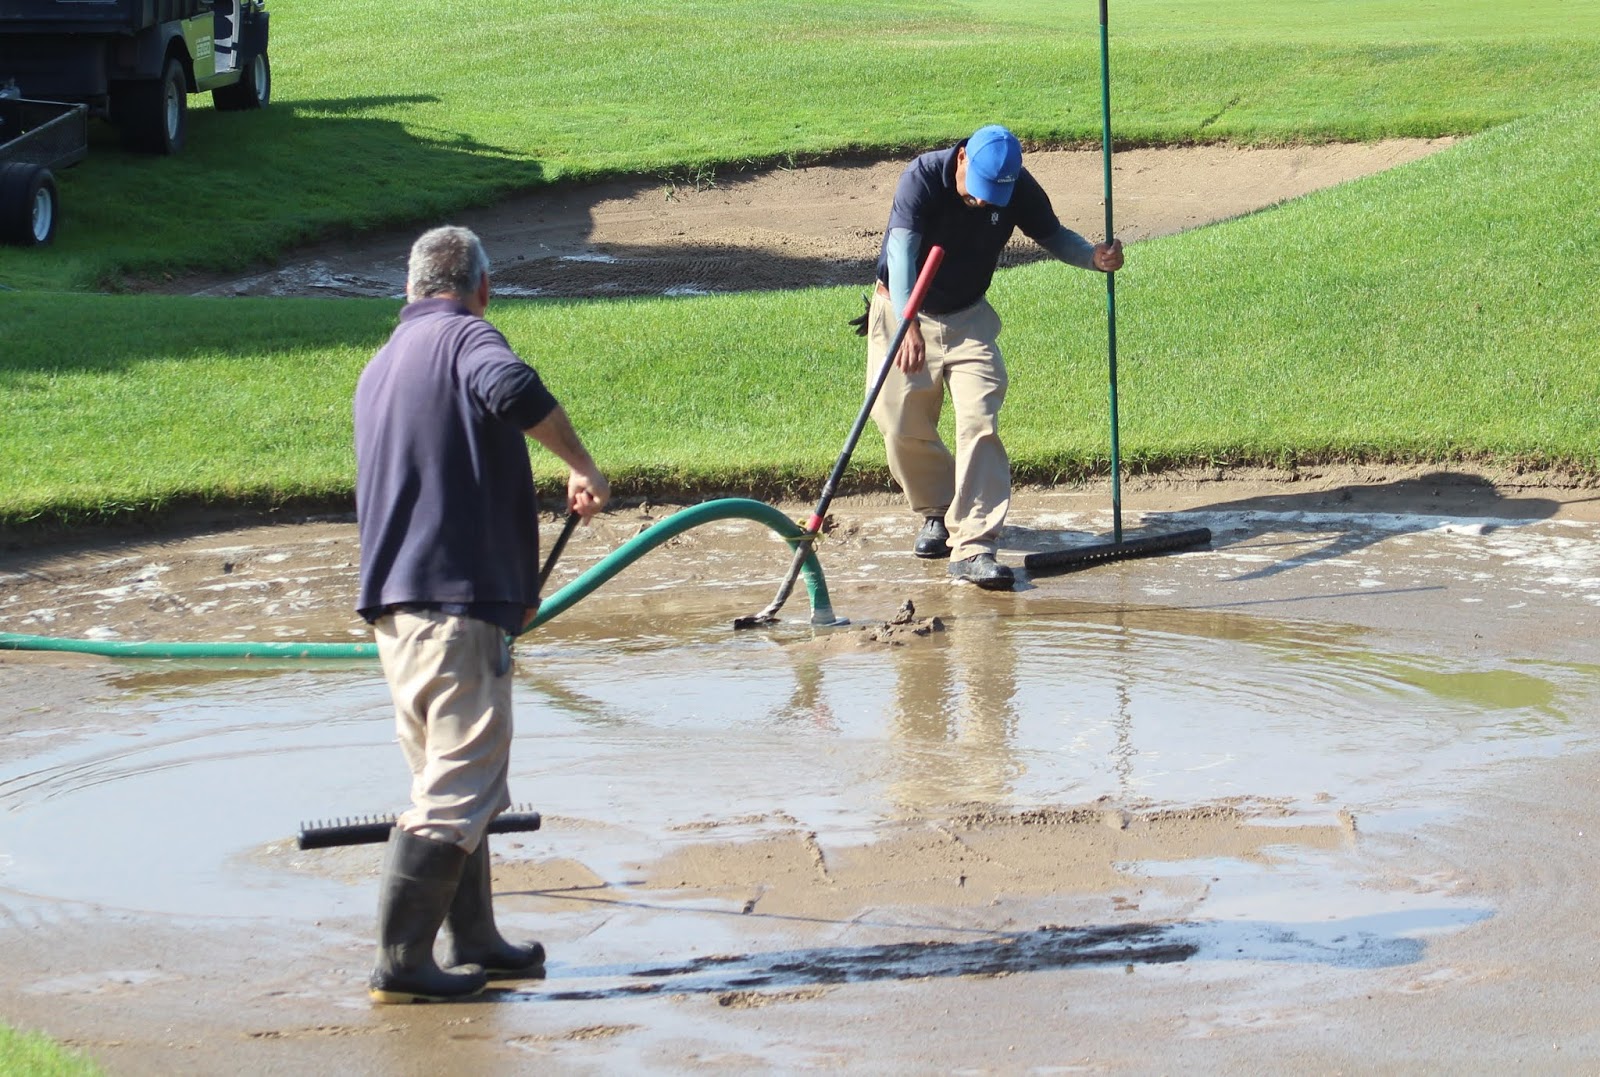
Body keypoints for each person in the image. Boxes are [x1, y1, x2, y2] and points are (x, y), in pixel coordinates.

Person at [353, 225, 610, 1004]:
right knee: (457, 786)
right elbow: (512, 387)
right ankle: (403, 961)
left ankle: (474, 939)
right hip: (454, 609)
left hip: (398, 609)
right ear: (482, 287)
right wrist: (581, 462)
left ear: (409, 287)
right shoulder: (467, 339)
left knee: (452, 778)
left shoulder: (382, 363)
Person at [865, 124, 1124, 590]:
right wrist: (908, 322)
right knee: (900, 424)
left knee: (980, 419)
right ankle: (938, 511)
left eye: (994, 195)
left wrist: (1092, 257)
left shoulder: (1016, 186)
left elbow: (1053, 234)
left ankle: (974, 546)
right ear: (962, 157)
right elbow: (901, 252)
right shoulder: (922, 177)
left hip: (968, 320)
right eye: (979, 189)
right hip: (901, 309)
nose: (984, 202)